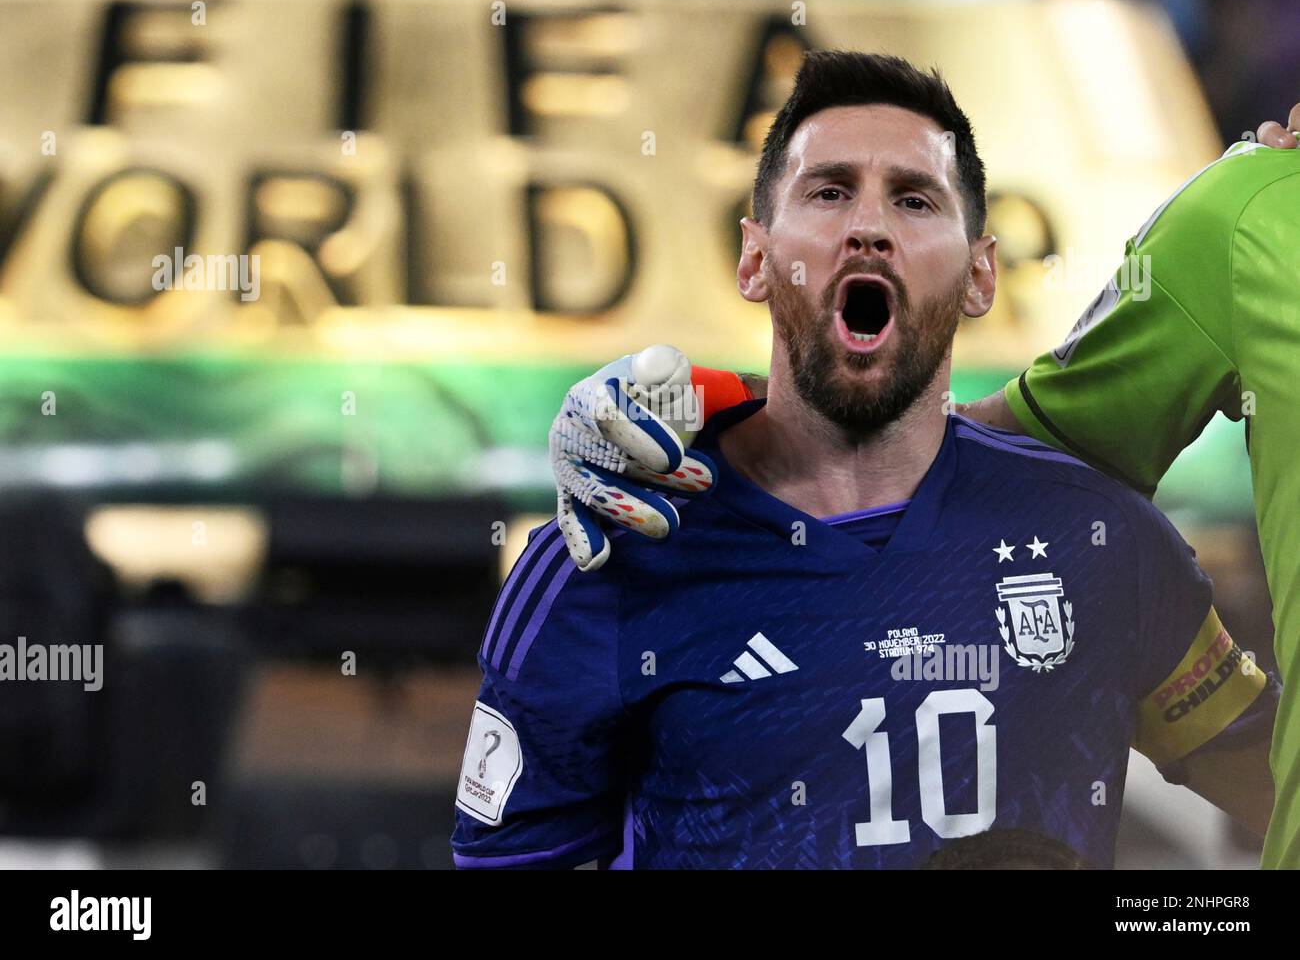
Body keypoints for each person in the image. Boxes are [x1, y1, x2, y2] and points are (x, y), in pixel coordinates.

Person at [453, 52, 1275, 869]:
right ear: (755, 257)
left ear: (980, 272)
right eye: (829, 190)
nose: (869, 225)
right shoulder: (608, 546)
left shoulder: (1103, 542)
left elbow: (1272, 787)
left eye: (915, 199)